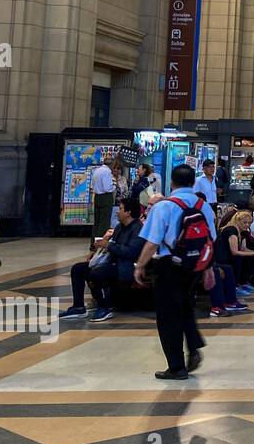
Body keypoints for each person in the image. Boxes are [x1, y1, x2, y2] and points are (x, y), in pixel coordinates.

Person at [133, 164, 214, 380]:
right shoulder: (203, 205)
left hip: (169, 266)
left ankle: (176, 367)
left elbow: (152, 242)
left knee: (168, 315)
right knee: (186, 306)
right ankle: (194, 346)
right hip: (195, 266)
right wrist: (208, 269)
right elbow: (210, 239)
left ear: (172, 182)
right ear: (193, 182)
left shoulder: (164, 206)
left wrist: (140, 265)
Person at [63, 196, 144, 322]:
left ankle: (104, 307)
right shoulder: (119, 227)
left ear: (128, 213)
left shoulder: (138, 229)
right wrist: (100, 247)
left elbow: (131, 252)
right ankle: (78, 306)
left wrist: (109, 245)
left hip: (124, 266)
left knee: (98, 273)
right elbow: (112, 244)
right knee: (78, 269)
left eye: (121, 209)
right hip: (111, 261)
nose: (117, 211)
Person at [90, 154, 116, 239]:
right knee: (104, 223)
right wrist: (115, 185)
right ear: (111, 164)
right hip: (105, 198)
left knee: (97, 222)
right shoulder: (107, 171)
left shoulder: (97, 170)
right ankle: (100, 246)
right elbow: (107, 188)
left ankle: (93, 246)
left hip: (97, 197)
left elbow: (92, 185)